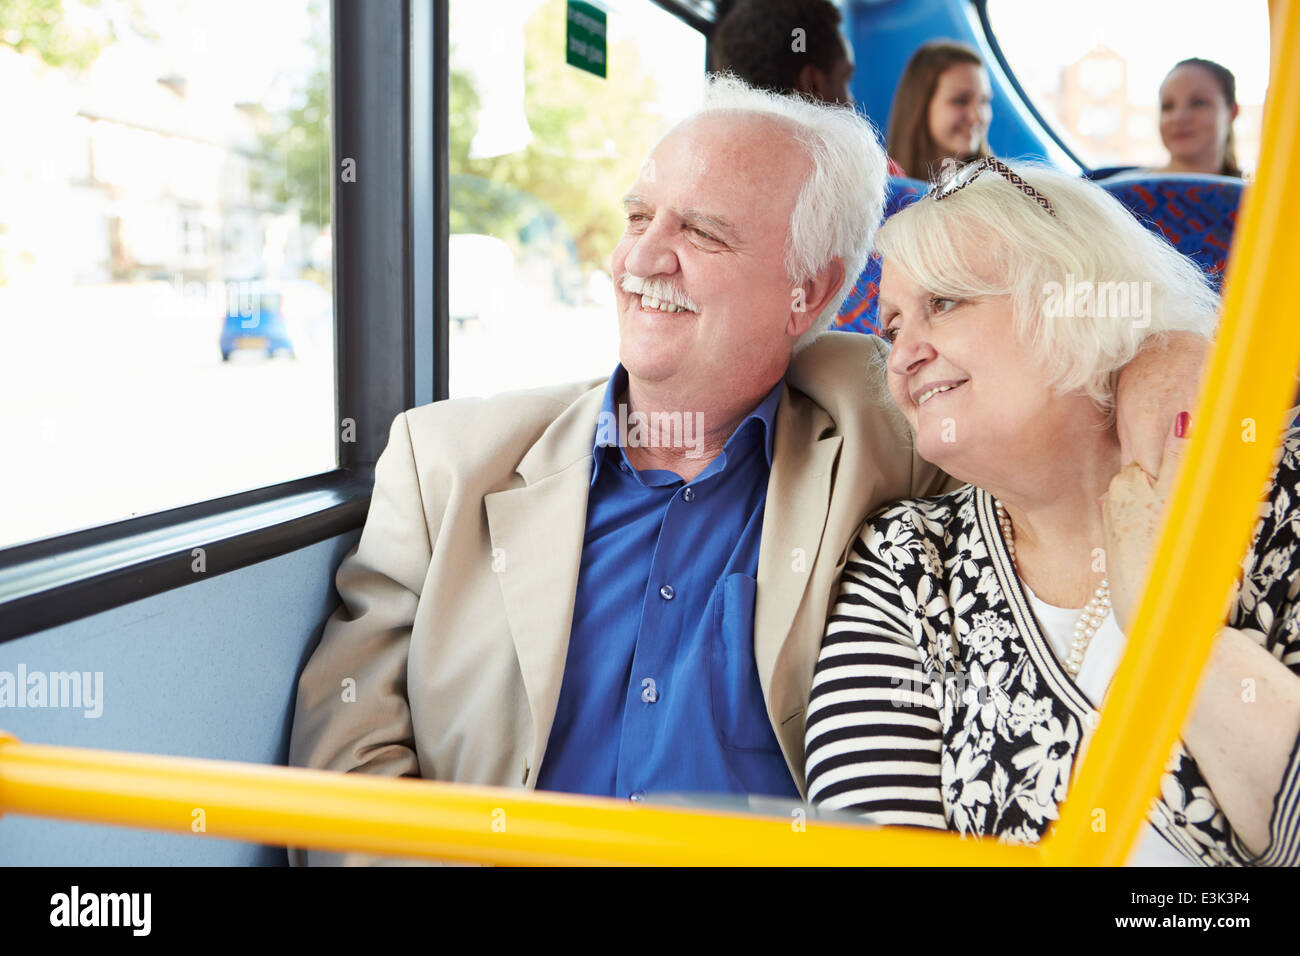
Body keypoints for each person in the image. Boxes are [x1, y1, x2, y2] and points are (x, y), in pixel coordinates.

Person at [288, 78, 1206, 866]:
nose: (642, 259)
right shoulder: (445, 461)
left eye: (704, 233)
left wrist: (1164, 359)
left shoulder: (896, 418)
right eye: (640, 217)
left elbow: (1057, 368)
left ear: (810, 291)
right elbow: (345, 752)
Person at [804, 158, 1300, 865]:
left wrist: (1170, 624)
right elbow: (870, 852)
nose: (905, 355)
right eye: (890, 327)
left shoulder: (1275, 487)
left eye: (945, 302)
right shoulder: (907, 561)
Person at [710, 0, 907, 176]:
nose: (852, 102)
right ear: (812, 85)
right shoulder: (881, 184)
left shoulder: (698, 176)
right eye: (845, 80)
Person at [886, 41, 992, 181]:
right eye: (961, 100)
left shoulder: (1002, 186)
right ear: (921, 106)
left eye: (983, 101)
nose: (977, 117)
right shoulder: (881, 188)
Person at [1153, 58, 1243, 177]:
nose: (1179, 118)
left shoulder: (1257, 193)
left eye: (1198, 103)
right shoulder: (1124, 192)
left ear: (1232, 113)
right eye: (1168, 106)